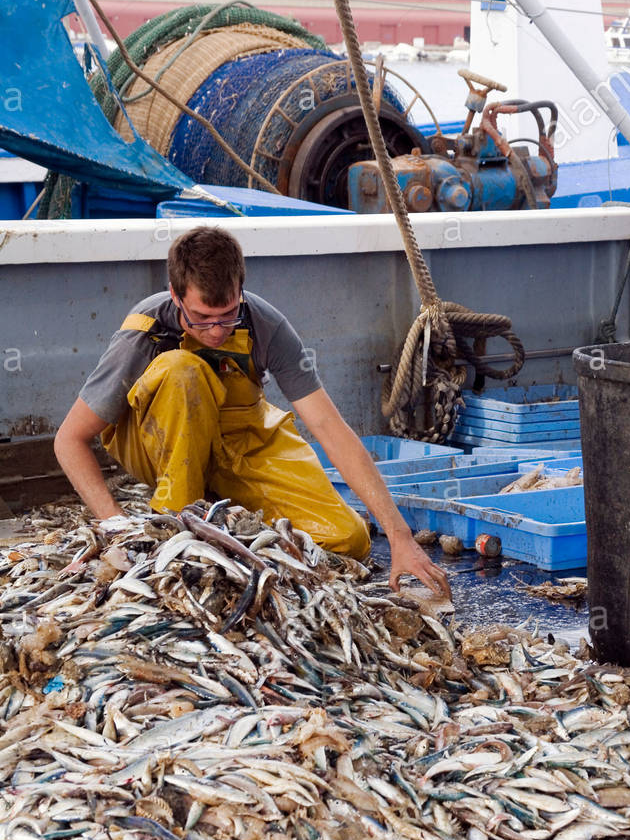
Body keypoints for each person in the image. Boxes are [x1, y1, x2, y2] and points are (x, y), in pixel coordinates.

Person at [54, 226, 450, 597]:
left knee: (349, 538)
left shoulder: (265, 325)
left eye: (227, 316)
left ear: (240, 289)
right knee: (182, 370)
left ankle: (226, 526)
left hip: (238, 443)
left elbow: (330, 428)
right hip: (157, 447)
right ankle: (177, 528)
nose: (215, 330)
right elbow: (70, 440)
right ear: (176, 296)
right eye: (201, 319)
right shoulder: (144, 331)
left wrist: (400, 536)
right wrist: (115, 522)